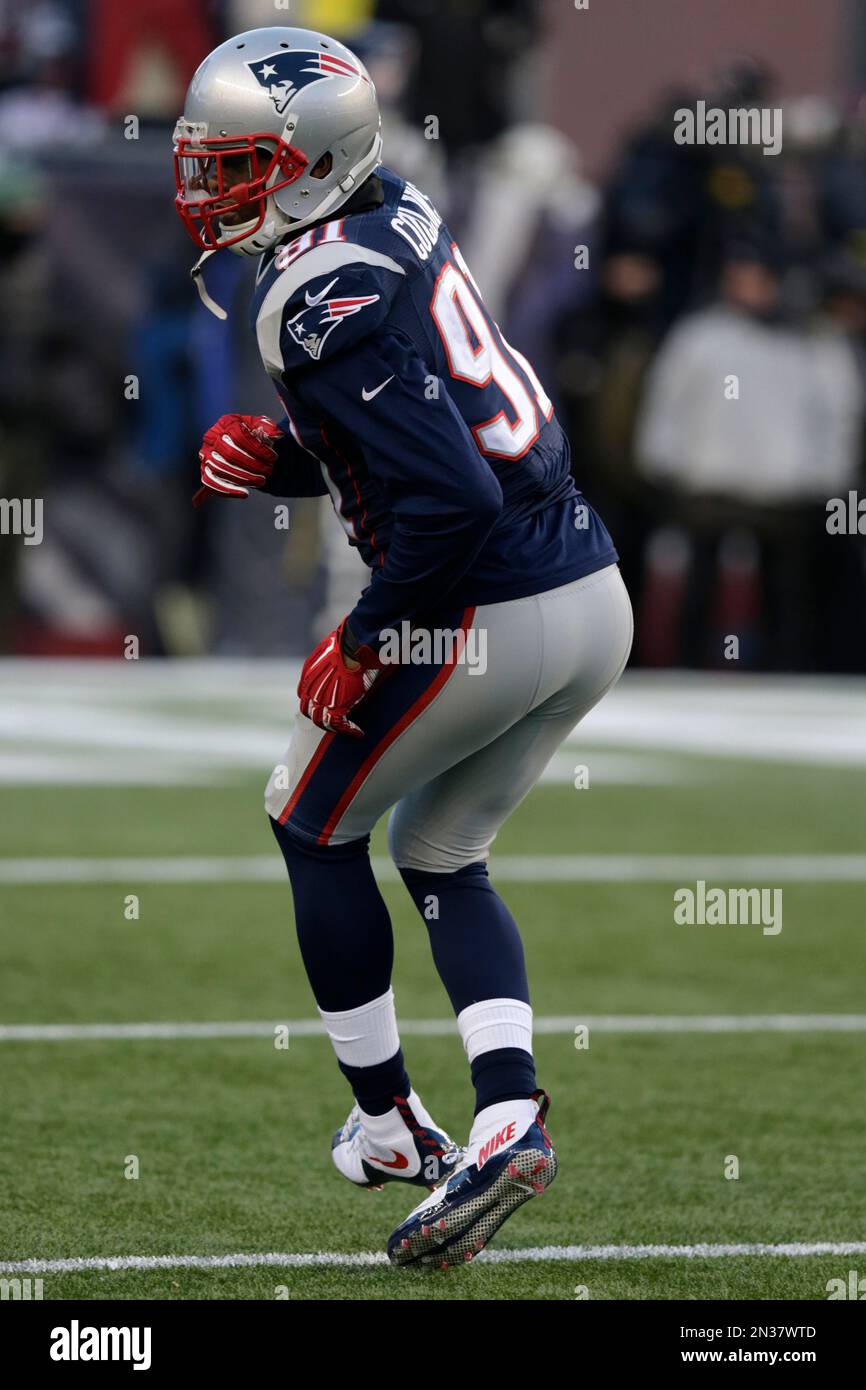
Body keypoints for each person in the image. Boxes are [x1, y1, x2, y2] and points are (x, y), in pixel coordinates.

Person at [174, 26, 632, 1268]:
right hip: (587, 589)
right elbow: (439, 428)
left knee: (307, 817)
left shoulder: (312, 294)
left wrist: (368, 638)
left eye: (235, 164)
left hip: (484, 599)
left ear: (309, 160)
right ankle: (503, 1113)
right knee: (439, 848)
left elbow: (448, 502)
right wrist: (289, 457)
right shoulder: (397, 212)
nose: (207, 190)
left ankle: (384, 1120)